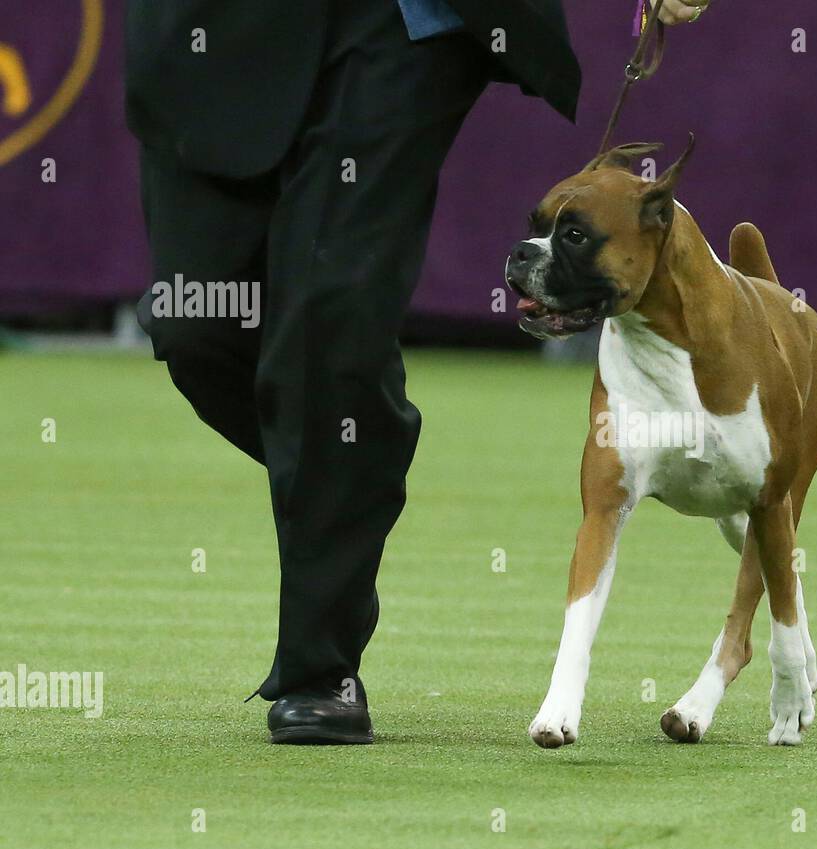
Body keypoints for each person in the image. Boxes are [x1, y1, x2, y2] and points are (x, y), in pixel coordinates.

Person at [124, 0, 711, 744]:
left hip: (401, 24)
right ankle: (353, 453)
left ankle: (319, 669)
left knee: (330, 328)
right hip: (212, 30)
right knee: (195, 325)